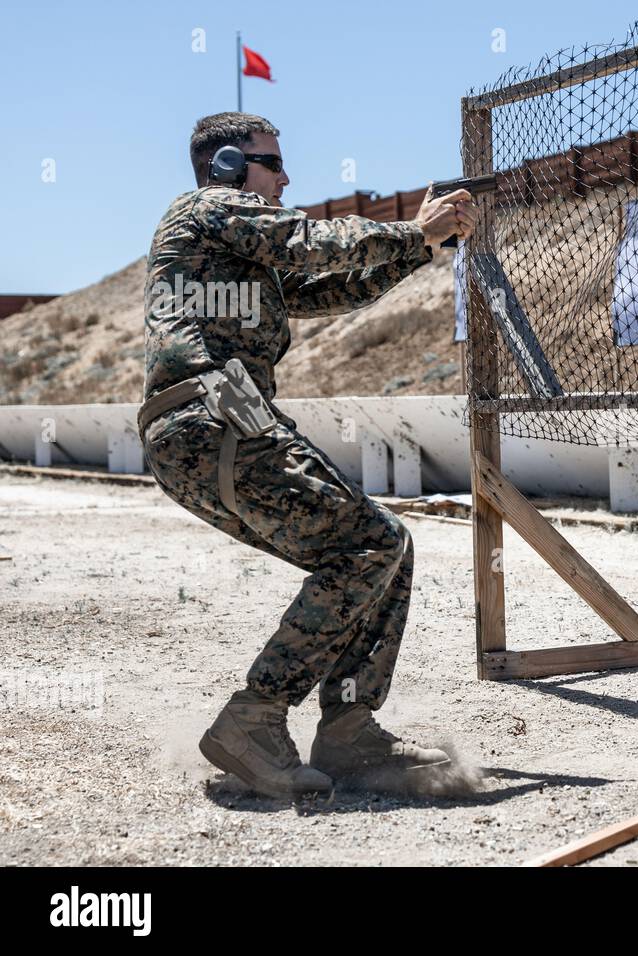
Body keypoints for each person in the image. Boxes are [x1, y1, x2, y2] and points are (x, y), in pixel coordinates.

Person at [138, 112, 478, 800]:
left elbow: (331, 285)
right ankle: (256, 716)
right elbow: (304, 240)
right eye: (273, 162)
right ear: (230, 163)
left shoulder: (231, 253)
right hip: (214, 419)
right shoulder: (209, 207)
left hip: (206, 427)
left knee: (383, 547)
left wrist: (420, 247)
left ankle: (348, 725)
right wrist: (413, 231)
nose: (286, 176)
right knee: (368, 545)